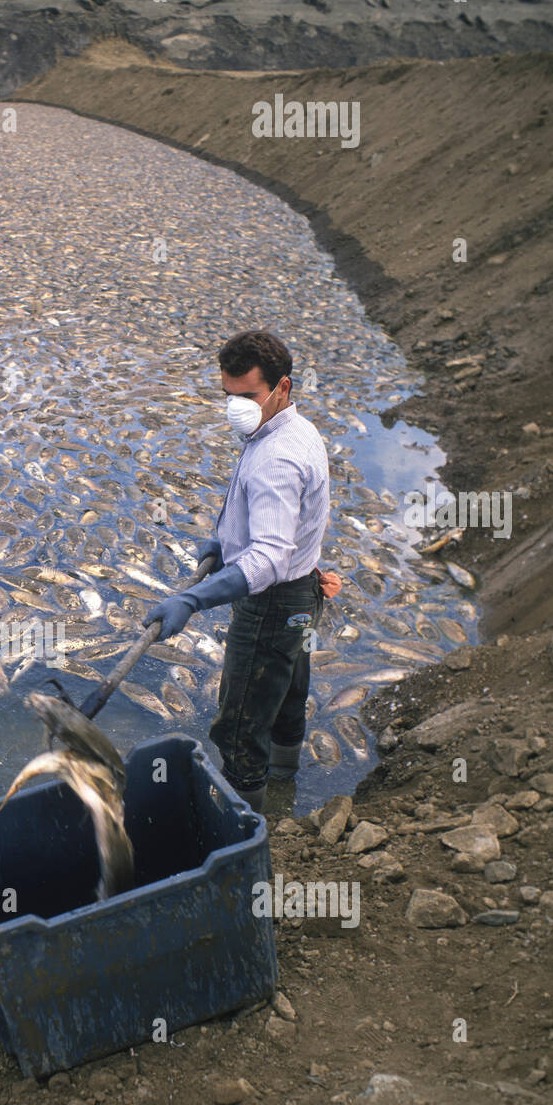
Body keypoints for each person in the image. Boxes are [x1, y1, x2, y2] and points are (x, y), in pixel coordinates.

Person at [143, 330, 331, 813]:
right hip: (304, 592)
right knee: (287, 694)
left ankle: (246, 825)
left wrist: (191, 598)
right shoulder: (294, 429)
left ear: (282, 388)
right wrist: (229, 542)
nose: (235, 408)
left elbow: (268, 559)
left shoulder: (277, 457)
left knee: (241, 721)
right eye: (227, 396)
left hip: (272, 604)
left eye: (247, 396)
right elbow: (281, 529)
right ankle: (285, 785)